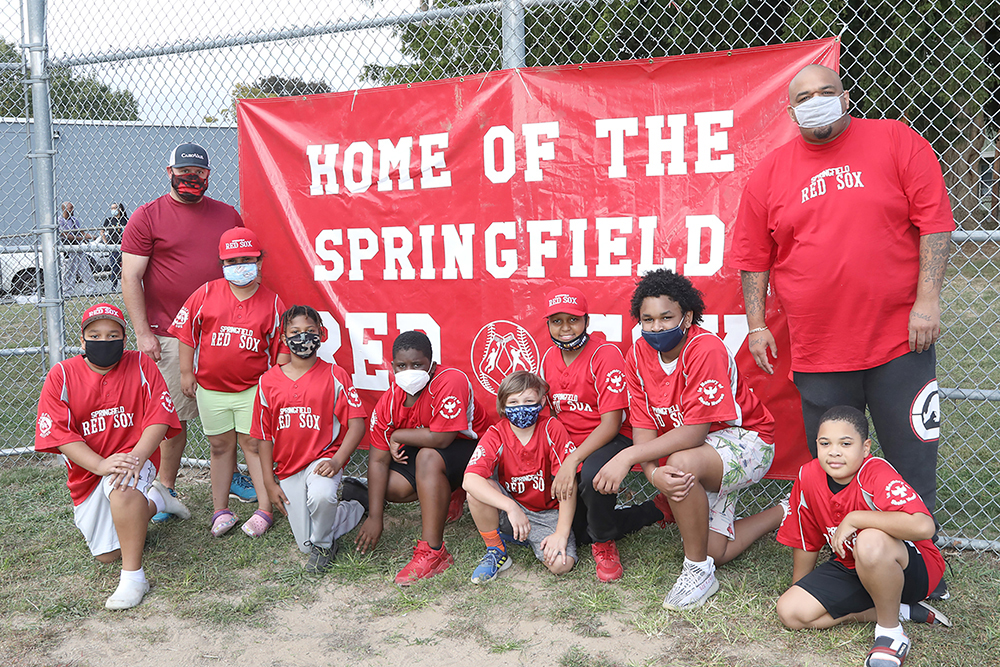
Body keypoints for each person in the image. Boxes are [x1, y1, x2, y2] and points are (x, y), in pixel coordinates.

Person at [730, 64, 954, 532]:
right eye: (804, 98)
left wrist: (928, 301)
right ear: (791, 112)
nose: (816, 102)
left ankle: (921, 557)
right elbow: (752, 256)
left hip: (900, 339)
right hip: (820, 348)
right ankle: (843, 548)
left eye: (826, 91)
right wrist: (756, 324)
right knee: (833, 465)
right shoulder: (770, 172)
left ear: (845, 97)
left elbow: (934, 222)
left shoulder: (896, 140)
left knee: (912, 458)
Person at [592, 269, 783, 610]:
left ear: (688, 316)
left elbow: (695, 432)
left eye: (666, 317)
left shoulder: (704, 348)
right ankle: (786, 510)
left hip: (748, 442)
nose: (656, 327)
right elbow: (644, 425)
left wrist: (627, 457)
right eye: (647, 319)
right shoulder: (637, 354)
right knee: (715, 550)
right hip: (702, 453)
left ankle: (698, 572)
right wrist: (652, 473)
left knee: (679, 465)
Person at [121, 142, 251, 522]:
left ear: (209, 175)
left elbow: (241, 264)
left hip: (222, 331)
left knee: (231, 406)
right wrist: (143, 333)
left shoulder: (227, 215)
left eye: (199, 173)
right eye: (184, 172)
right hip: (169, 333)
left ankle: (233, 475)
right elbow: (131, 277)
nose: (191, 178)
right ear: (170, 172)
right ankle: (166, 487)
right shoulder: (147, 216)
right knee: (172, 417)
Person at [34, 303, 191, 610]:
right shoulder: (62, 375)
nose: (103, 341)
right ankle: (158, 501)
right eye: (95, 335)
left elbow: (159, 417)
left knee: (123, 487)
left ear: (124, 339)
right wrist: (101, 464)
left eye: (112, 335)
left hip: (134, 457)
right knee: (107, 554)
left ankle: (134, 579)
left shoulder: (141, 364)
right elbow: (61, 435)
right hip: (89, 471)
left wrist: (137, 457)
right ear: (82, 340)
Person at [776, 406, 950, 667]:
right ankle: (896, 610)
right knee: (791, 612)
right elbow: (806, 539)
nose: (834, 451)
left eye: (846, 444)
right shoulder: (808, 475)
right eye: (825, 443)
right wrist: (802, 587)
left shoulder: (876, 472)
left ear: (865, 447)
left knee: (869, 540)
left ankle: (890, 634)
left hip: (911, 567)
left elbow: (924, 526)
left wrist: (856, 518)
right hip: (853, 566)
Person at [539, 286, 666, 582]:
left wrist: (572, 460)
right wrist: (560, 454)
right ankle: (653, 511)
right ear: (548, 325)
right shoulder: (547, 358)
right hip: (571, 443)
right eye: (557, 321)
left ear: (586, 320)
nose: (565, 328)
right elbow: (552, 416)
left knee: (591, 474)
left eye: (573, 319)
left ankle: (604, 543)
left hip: (611, 437)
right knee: (580, 532)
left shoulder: (604, 353)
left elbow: (611, 423)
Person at [168, 228, 288, 538]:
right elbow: (186, 334)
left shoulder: (272, 302)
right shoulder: (206, 293)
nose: (239, 266)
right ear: (221, 263)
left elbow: (281, 350)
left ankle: (265, 509)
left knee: (253, 445)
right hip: (211, 389)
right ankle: (220, 509)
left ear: (259, 261)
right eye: (231, 261)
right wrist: (186, 372)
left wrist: (274, 385)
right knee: (220, 447)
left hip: (252, 389)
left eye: (246, 259)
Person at [356, 330, 492, 585]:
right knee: (390, 486)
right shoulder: (390, 401)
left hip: (473, 447)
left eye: (417, 364)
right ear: (392, 366)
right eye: (402, 366)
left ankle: (433, 552)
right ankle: (448, 493)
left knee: (428, 457)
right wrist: (375, 516)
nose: (409, 371)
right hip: (430, 447)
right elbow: (377, 460)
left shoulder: (450, 380)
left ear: (431, 363)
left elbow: (442, 439)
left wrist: (397, 434)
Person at [252, 305, 367, 572]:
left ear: (322, 334)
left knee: (321, 498)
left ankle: (325, 544)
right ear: (283, 338)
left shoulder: (335, 375)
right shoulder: (267, 381)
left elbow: (357, 425)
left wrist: (337, 460)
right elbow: (264, 436)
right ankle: (354, 505)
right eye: (295, 332)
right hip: (288, 467)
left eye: (310, 330)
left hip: (323, 459)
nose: (303, 337)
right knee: (305, 543)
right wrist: (269, 481)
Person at [463, 371, 578, 583]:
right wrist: (511, 507)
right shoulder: (497, 433)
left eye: (528, 401)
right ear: (503, 406)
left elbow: (568, 484)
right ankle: (496, 550)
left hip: (546, 513)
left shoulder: (551, 428)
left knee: (561, 565)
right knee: (477, 490)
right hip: (511, 508)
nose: (521, 407)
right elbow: (469, 479)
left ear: (542, 402)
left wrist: (561, 533)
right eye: (513, 402)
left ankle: (525, 538)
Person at [59, 201, 97, 295]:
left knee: (85, 269)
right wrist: (82, 238)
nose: (73, 210)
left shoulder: (74, 220)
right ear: (64, 209)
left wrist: (90, 237)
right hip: (68, 249)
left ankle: (91, 290)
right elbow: (67, 236)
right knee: (69, 271)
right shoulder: (60, 221)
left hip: (78, 248)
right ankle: (67, 292)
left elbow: (81, 232)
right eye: (70, 208)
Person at [101, 203, 128, 291]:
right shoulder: (109, 220)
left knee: (126, 267)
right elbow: (102, 231)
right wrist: (105, 241)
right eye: (112, 208)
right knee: (114, 267)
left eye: (115, 208)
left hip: (124, 246)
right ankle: (113, 286)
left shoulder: (125, 220)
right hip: (113, 245)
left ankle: (126, 286)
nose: (113, 210)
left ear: (119, 209)